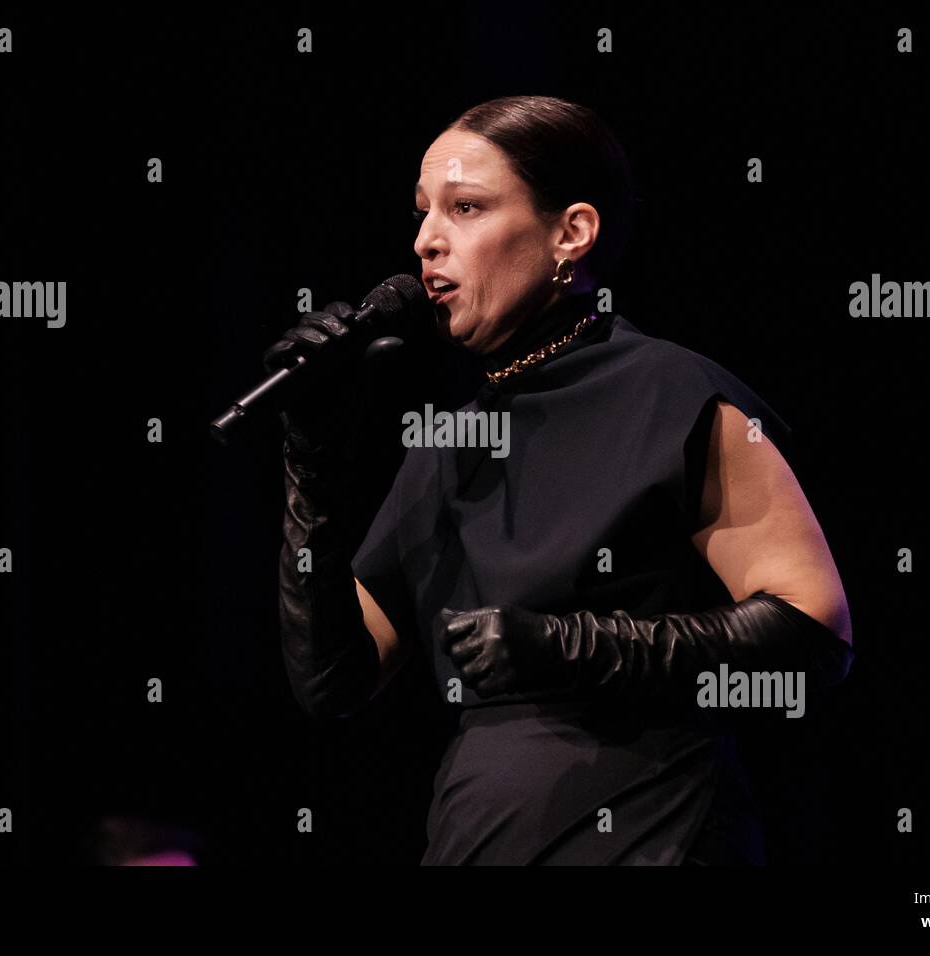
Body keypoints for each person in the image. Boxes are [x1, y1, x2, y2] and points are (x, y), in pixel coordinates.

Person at [263, 95, 853, 865]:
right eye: (422, 213)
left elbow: (814, 634)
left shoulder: (671, 390)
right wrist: (310, 463)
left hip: (654, 836)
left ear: (570, 233)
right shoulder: (451, 439)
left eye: (465, 207)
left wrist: (569, 647)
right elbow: (333, 682)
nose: (425, 242)